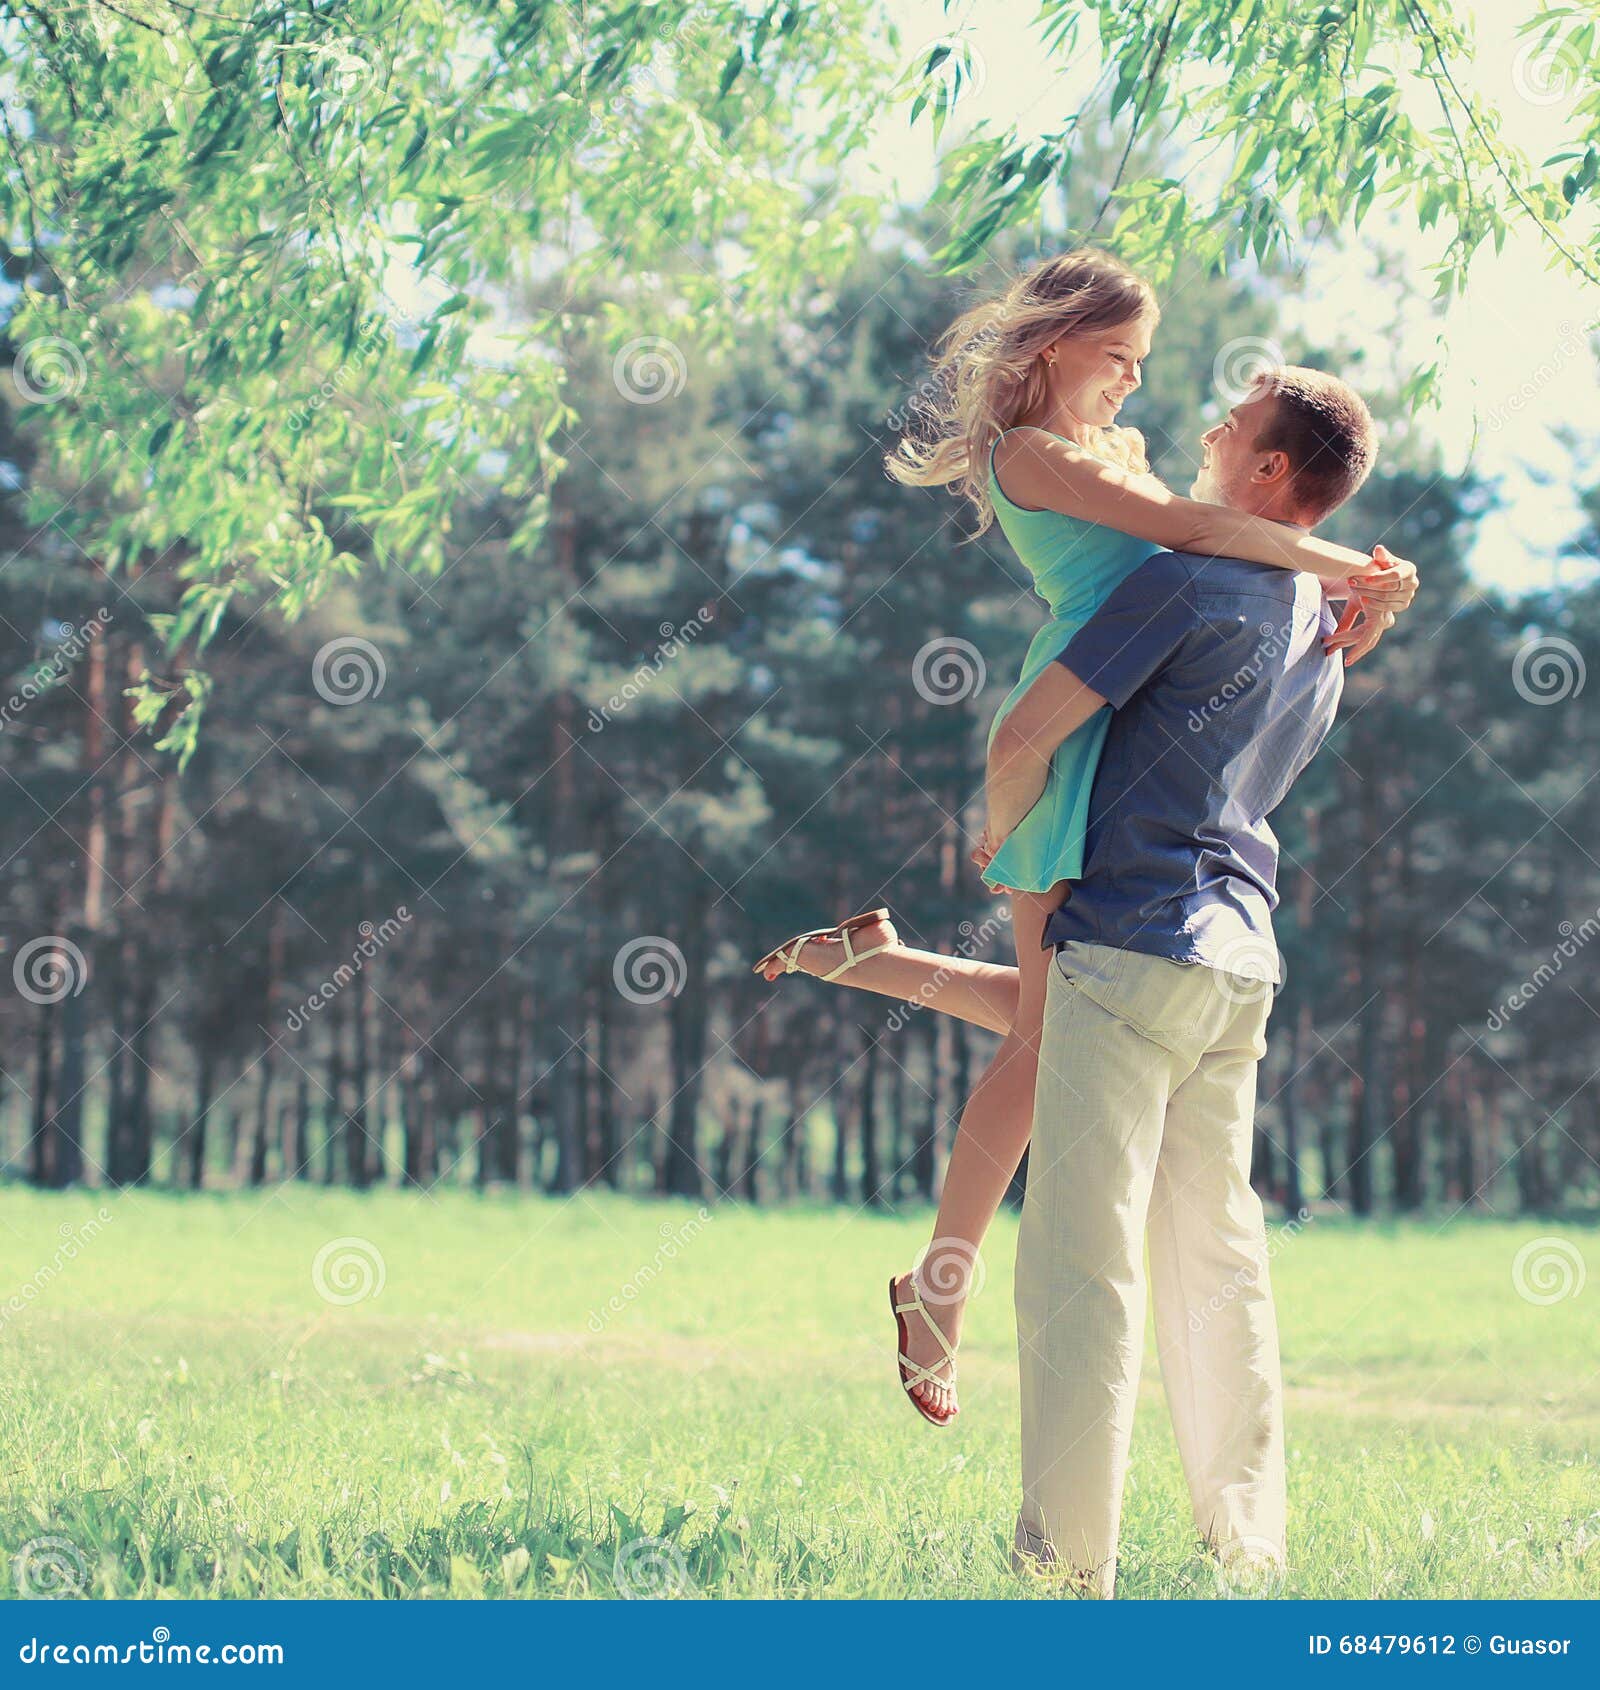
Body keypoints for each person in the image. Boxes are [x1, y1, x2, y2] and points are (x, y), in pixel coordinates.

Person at [753, 248, 1416, 1425]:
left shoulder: (1108, 445)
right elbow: (1190, 532)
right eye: (1119, 358)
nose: (1132, 382)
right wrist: (1351, 568)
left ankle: (862, 961)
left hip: (1120, 726)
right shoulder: (1034, 454)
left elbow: (1211, 536)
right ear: (1056, 343)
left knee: (1051, 1018)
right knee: (1041, 1044)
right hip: (1067, 732)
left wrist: (1344, 595)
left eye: (1142, 364)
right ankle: (936, 1294)